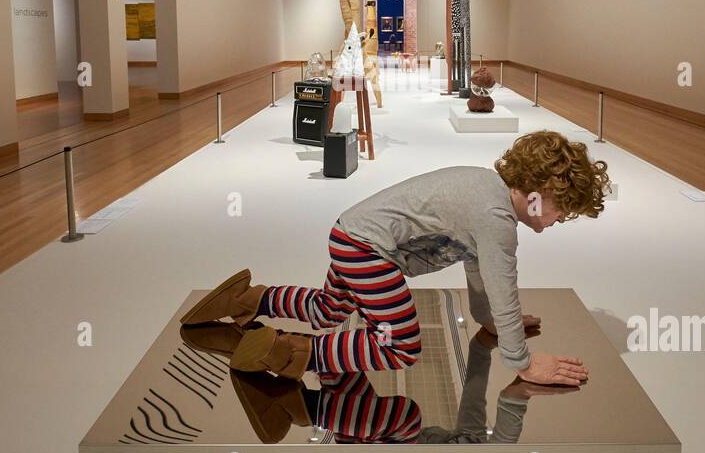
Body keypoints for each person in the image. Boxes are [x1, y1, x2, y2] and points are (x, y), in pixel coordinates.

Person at [182, 130, 609, 386]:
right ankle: (289, 352)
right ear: (538, 192)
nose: (559, 219)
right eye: (562, 208)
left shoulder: (488, 193)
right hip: (369, 249)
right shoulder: (496, 217)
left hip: (350, 234)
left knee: (330, 309)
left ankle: (246, 300)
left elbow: (481, 278)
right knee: (399, 346)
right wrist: (524, 362)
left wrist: (491, 323)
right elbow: (503, 286)